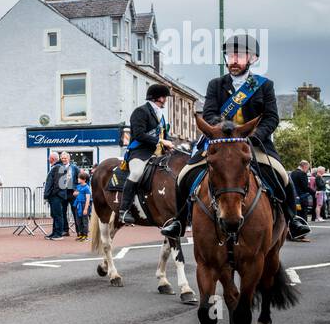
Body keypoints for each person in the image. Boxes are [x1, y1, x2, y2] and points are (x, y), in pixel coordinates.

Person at [160, 33, 310, 240]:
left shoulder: (264, 85)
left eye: (239, 56)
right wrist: (220, 130)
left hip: (254, 143)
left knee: (282, 175)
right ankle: (179, 220)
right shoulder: (216, 84)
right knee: (185, 174)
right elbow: (210, 113)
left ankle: (293, 220)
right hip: (221, 143)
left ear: (252, 59)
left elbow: (271, 118)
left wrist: (255, 135)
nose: (234, 60)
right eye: (230, 56)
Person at [119, 83, 174, 225]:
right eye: (165, 97)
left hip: (159, 154)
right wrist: (162, 141)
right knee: (136, 173)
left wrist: (169, 144)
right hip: (140, 153)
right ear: (159, 98)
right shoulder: (140, 111)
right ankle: (124, 210)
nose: (166, 100)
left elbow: (163, 135)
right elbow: (139, 135)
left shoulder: (160, 115)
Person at [42, 152, 67, 239]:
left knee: (58, 215)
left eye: (49, 158)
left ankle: (58, 234)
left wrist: (52, 194)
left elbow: (58, 184)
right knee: (55, 215)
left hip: (56, 196)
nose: (48, 159)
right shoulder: (56, 167)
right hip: (54, 196)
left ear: (52, 159)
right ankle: (54, 232)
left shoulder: (58, 168)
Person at [290, 161, 314, 240]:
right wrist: (314, 192)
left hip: (294, 198)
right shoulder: (302, 174)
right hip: (302, 198)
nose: (307, 170)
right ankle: (302, 235)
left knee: (295, 216)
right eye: (307, 168)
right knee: (303, 216)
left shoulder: (293, 173)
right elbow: (305, 187)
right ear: (304, 166)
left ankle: (293, 234)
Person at [74, 170, 93, 241]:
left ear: (84, 180)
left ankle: (85, 235)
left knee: (84, 221)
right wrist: (76, 193)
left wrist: (85, 209)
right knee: (78, 221)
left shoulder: (87, 188)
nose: (78, 179)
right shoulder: (78, 186)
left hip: (84, 205)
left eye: (79, 178)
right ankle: (81, 234)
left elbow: (88, 199)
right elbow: (75, 193)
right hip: (78, 205)